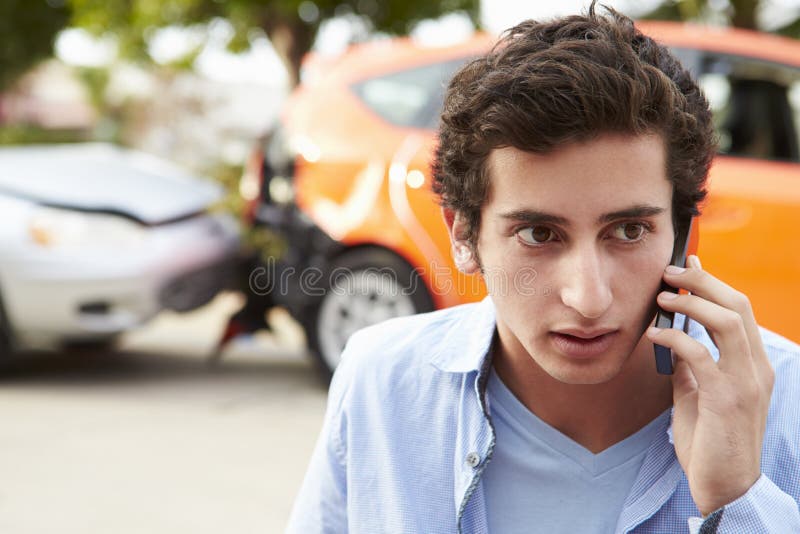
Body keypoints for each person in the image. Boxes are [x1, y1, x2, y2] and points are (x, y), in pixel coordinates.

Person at [286, 4, 800, 533]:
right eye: (538, 234)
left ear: (684, 235)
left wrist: (737, 500)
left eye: (628, 231)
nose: (588, 298)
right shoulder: (383, 382)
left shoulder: (790, 402)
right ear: (464, 235)